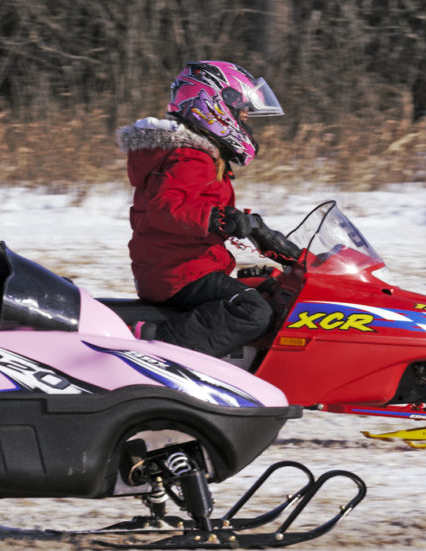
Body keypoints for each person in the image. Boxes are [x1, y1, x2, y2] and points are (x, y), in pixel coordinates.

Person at [117, 60, 298, 357]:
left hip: (180, 266)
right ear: (212, 105)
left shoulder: (198, 154)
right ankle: (158, 351)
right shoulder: (192, 155)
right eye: (240, 107)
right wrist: (218, 219)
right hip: (178, 272)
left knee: (265, 288)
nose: (245, 115)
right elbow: (165, 207)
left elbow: (195, 205)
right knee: (253, 311)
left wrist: (251, 225)